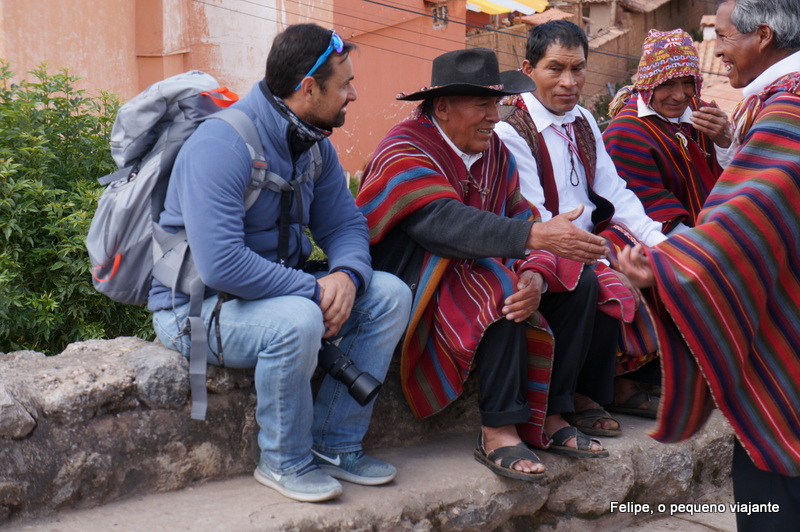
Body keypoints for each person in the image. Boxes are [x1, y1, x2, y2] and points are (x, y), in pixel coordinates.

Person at [147, 24, 412, 503]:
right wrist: (315, 290)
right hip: (195, 309)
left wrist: (347, 276)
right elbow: (222, 265)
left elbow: (345, 225)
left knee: (390, 294)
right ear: (309, 88)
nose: (354, 95)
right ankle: (283, 461)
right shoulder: (222, 145)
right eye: (345, 85)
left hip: (273, 294)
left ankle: (335, 444)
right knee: (298, 318)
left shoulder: (313, 145)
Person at [356, 48, 634, 481]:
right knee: (500, 290)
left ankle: (552, 412)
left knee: (576, 279)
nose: (493, 116)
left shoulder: (494, 152)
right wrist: (533, 240)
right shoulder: (404, 148)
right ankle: (499, 428)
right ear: (442, 107)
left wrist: (536, 271)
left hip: (479, 265)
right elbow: (442, 224)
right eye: (482, 105)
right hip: (417, 278)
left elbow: (522, 214)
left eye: (496, 103)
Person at [617, 0, 800, 529]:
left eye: (722, 36)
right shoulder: (767, 103)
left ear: (762, 35)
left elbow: (751, 213)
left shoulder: (787, 107)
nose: (717, 51)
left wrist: (670, 267)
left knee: (773, 482)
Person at [495, 20, 669, 419]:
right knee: (591, 279)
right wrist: (602, 259)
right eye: (555, 69)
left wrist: (658, 242)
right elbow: (536, 214)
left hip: (587, 238)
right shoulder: (511, 129)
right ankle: (578, 394)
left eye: (578, 68)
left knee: (652, 260)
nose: (569, 82)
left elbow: (614, 192)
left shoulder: (583, 120)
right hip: (540, 244)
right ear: (528, 70)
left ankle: (628, 378)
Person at [603, 28, 732, 236]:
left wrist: (724, 143)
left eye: (688, 82)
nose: (680, 96)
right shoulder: (625, 134)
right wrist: (703, 244)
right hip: (669, 242)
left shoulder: (701, 113)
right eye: (668, 84)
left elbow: (735, 176)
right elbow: (648, 210)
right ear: (649, 84)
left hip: (718, 229)